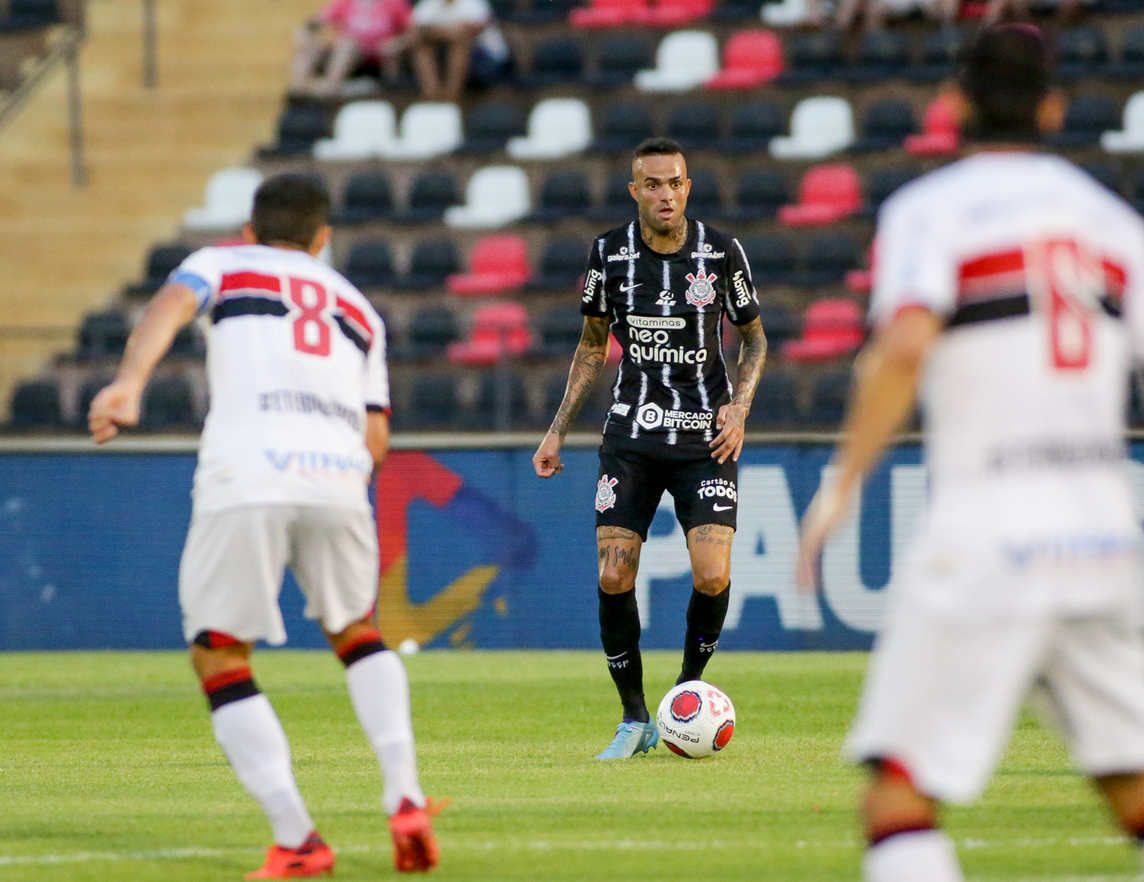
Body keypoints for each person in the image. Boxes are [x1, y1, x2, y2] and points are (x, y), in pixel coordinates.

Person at [796, 25, 1144, 882]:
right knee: (1135, 784)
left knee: (898, 796)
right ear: (1053, 107)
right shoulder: (1107, 219)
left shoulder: (931, 210)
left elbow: (906, 345)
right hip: (1107, 543)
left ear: (952, 106)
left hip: (988, 538)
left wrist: (841, 488)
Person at [88, 173, 445, 878]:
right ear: (323, 239)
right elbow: (377, 437)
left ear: (249, 232)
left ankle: (298, 838)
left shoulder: (223, 262)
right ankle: (404, 793)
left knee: (221, 653)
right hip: (339, 476)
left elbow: (167, 306)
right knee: (358, 632)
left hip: (249, 473)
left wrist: (128, 383)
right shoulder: (359, 306)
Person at [533, 137, 768, 760]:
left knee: (712, 573)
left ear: (688, 187)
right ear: (634, 190)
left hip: (704, 440)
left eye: (677, 183)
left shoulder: (720, 252)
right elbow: (590, 345)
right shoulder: (609, 253)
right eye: (654, 184)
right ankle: (635, 717)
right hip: (631, 435)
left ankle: (686, 697)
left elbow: (754, 339)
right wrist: (558, 428)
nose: (667, 194)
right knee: (614, 573)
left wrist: (738, 409)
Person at [291, 0, 415, 98]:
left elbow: (413, 32)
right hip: (348, 57)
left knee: (348, 44)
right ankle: (299, 86)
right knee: (309, 43)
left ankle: (330, 86)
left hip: (379, 58)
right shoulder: (346, 2)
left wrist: (398, 43)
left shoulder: (394, 3)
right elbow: (316, 22)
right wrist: (304, 33)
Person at [409, 0, 510, 101]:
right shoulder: (429, 3)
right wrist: (446, 32)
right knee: (422, 47)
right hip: (444, 56)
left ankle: (451, 98)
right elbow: (417, 31)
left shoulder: (475, 3)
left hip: (487, 58)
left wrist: (435, 31)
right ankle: (431, 96)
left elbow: (469, 31)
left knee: (459, 44)